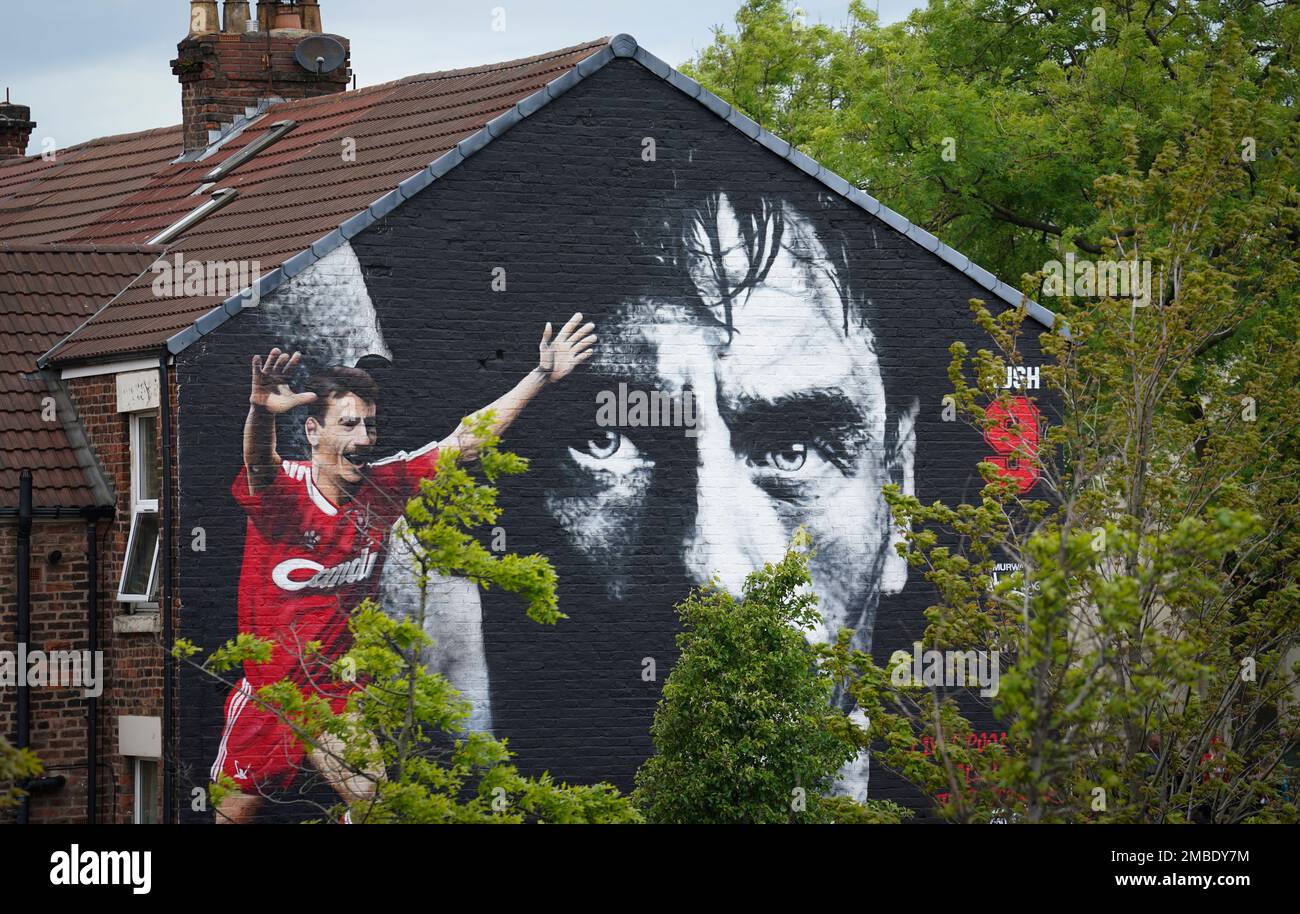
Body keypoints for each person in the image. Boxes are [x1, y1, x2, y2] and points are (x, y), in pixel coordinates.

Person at [210, 314, 597, 823]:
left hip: (335, 695)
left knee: (378, 810)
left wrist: (540, 375)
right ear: (313, 430)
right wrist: (261, 412)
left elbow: (466, 440)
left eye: (369, 424)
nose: (364, 437)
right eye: (348, 424)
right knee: (231, 817)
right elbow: (259, 463)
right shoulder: (284, 493)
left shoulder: (383, 487)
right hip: (270, 696)